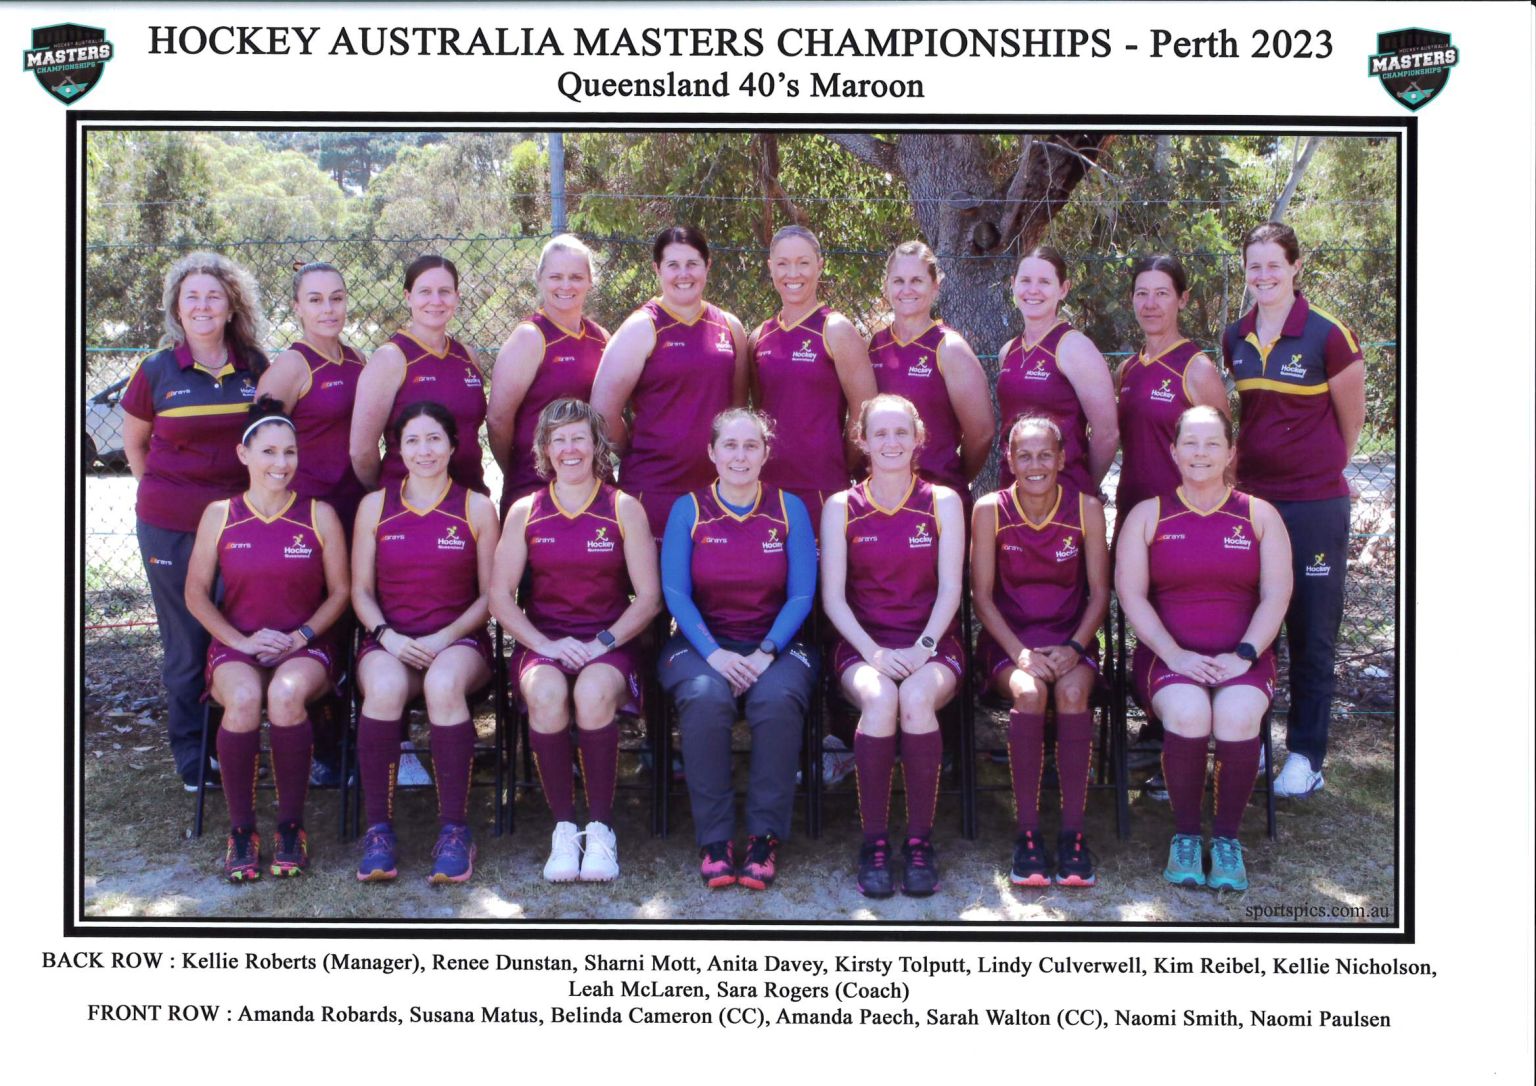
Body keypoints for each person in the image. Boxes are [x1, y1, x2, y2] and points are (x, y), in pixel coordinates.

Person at [1115, 406, 1292, 891]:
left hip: (1242, 658)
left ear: (1231, 452)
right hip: (1168, 658)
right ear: (1173, 451)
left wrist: (1244, 655)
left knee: (1237, 715)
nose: (1200, 453)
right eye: (1190, 443)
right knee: (1189, 712)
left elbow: (1277, 595)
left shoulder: (1260, 515)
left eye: (1213, 443)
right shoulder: (1148, 514)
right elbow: (1130, 595)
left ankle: (1228, 840)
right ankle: (1188, 836)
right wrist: (1174, 655)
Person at [1221, 222, 1365, 798]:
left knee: (1311, 630)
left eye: (1273, 265)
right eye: (1254, 266)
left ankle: (1306, 755)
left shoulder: (1330, 335)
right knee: (1254, 625)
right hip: (1255, 502)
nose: (1263, 276)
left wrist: (1322, 472)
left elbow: (1350, 424)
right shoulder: (1235, 336)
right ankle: (1252, 742)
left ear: (1295, 267)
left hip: (1315, 506)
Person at [490, 399, 659, 883]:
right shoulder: (525, 510)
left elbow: (648, 598)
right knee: (545, 694)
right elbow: (499, 597)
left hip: (609, 642)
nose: (570, 448)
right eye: (559, 439)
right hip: (546, 643)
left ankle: (601, 829)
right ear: (544, 449)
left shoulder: (623, 507)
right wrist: (544, 645)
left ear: (597, 445)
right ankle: (564, 828)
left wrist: (604, 641)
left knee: (591, 692)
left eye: (579, 438)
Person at [183, 398, 349, 881]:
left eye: (290, 452)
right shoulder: (220, 514)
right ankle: (241, 831)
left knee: (285, 694)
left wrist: (300, 636)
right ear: (244, 454)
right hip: (239, 644)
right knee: (242, 698)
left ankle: (290, 827)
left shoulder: (319, 514)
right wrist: (241, 641)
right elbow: (195, 595)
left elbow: (341, 592)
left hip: (305, 645)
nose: (281, 463)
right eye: (269, 452)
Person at [120, 251, 265, 791]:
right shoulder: (156, 371)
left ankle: (234, 741)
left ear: (231, 306)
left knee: (233, 632)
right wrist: (169, 498)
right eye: (192, 297)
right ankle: (192, 755)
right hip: (170, 526)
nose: (203, 306)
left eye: (213, 296)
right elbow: (136, 447)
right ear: (177, 309)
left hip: (239, 526)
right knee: (185, 641)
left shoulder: (254, 365)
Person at [658, 409, 819, 890]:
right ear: (711, 452)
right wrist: (716, 655)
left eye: (751, 445)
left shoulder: (790, 509)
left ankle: (763, 838)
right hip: (702, 644)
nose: (740, 456)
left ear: (766, 453)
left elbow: (802, 595)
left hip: (776, 643)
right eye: (730, 445)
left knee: (776, 699)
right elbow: (676, 593)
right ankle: (715, 839)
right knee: (706, 698)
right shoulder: (688, 508)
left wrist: (766, 651)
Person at [821, 394, 965, 898]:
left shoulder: (943, 501)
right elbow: (833, 598)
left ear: (918, 438)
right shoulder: (841, 506)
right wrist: (873, 653)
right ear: (861, 440)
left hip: (933, 642)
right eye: (879, 433)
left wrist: (923, 646)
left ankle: (920, 843)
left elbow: (951, 589)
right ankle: (876, 843)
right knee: (882, 698)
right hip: (863, 644)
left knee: (916, 698)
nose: (891, 442)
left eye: (901, 432)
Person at [351, 402, 500, 885]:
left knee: (442, 684)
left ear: (453, 446)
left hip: (458, 642)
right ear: (397, 449)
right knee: (384, 688)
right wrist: (387, 637)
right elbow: (360, 591)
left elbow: (491, 597)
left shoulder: (477, 507)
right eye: (412, 441)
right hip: (390, 640)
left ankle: (455, 831)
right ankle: (378, 832)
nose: (424, 451)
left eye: (434, 438)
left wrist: (443, 637)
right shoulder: (375, 506)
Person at [970, 416, 1109, 887]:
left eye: (1045, 454)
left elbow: (1100, 594)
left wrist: (1074, 647)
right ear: (1009, 461)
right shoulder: (989, 509)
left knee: (1071, 694)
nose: (1035, 465)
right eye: (1024, 456)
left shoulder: (1087, 508)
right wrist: (1020, 653)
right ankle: (1027, 834)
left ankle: (1073, 835)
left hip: (1071, 640)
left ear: (1062, 458)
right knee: (1029, 694)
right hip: (1009, 643)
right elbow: (982, 598)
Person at [591, 225, 749, 540]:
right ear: (657, 269)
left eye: (692, 263)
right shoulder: (642, 327)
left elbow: (737, 408)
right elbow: (602, 412)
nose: (683, 274)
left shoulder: (730, 327)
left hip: (717, 492)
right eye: (673, 265)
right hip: (654, 490)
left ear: (707, 266)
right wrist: (639, 451)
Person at [748, 225, 877, 531]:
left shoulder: (836, 329)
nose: (793, 273)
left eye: (803, 262)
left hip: (822, 487)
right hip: (766, 489)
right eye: (783, 263)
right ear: (770, 268)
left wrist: (839, 462)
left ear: (820, 266)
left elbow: (865, 413)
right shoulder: (759, 336)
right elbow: (760, 407)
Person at [488, 235, 610, 518]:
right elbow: (498, 420)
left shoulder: (601, 338)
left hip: (590, 486)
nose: (566, 286)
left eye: (576, 277)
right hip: (535, 487)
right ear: (539, 278)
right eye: (556, 277)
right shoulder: (529, 337)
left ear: (590, 281)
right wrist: (522, 467)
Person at [350, 255, 488, 498]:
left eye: (444, 291)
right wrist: (387, 496)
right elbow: (361, 451)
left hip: (468, 500)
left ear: (457, 297)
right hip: (407, 504)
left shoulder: (468, 356)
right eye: (425, 291)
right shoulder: (390, 358)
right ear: (408, 297)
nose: (436, 301)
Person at [866, 241, 994, 497]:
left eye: (917, 280)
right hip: (883, 496)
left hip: (936, 497)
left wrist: (948, 474)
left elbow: (982, 432)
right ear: (886, 286)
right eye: (898, 281)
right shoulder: (876, 345)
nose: (907, 289)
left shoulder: (949, 348)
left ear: (935, 287)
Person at [995, 246, 1118, 497]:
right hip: (1013, 493)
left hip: (1064, 494)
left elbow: (1107, 434)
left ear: (1063, 289)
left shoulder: (1075, 348)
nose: (1033, 290)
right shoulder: (1008, 351)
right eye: (1025, 280)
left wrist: (1082, 484)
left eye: (1044, 282)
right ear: (1013, 284)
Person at [257, 261, 369, 536]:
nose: (328, 309)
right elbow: (259, 445)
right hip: (306, 510)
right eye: (315, 300)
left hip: (356, 502)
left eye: (337, 298)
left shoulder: (357, 359)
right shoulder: (291, 365)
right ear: (297, 307)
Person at [1114, 253, 1231, 517]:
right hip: (1130, 513)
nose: (1150, 304)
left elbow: (1225, 455)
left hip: (1181, 518)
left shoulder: (1196, 369)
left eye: (1162, 293)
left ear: (1182, 299)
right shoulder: (1127, 370)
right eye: (1142, 294)